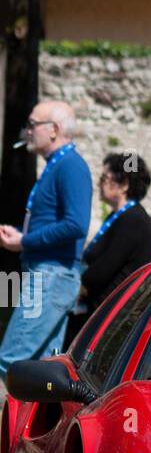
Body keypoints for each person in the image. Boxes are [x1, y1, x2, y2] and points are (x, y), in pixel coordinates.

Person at [0, 99, 92, 385]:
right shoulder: (59, 165)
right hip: (49, 273)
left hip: (50, 274)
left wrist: (25, 241)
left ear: (53, 130)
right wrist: (20, 236)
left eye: (32, 124)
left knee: (10, 362)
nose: (27, 131)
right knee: (40, 370)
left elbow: (77, 224)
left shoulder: (69, 166)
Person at [65, 152, 151, 344]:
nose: (99, 183)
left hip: (117, 317)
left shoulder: (133, 220)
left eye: (104, 178)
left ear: (123, 184)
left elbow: (102, 270)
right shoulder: (120, 217)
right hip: (104, 309)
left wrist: (74, 284)